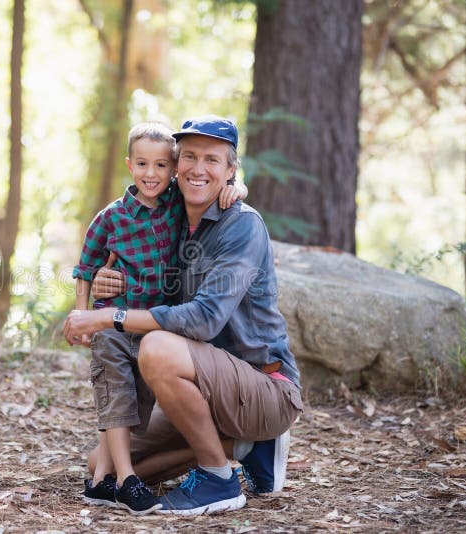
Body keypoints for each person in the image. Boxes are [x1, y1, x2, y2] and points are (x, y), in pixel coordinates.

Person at [64, 115, 303, 515]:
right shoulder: (171, 215)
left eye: (212, 160)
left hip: (263, 385)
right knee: (100, 465)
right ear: (176, 166)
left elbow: (204, 320)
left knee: (156, 348)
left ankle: (219, 479)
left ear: (230, 171)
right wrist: (113, 282)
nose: (197, 168)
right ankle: (238, 446)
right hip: (205, 390)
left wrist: (109, 317)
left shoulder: (241, 226)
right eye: (188, 157)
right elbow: (137, 264)